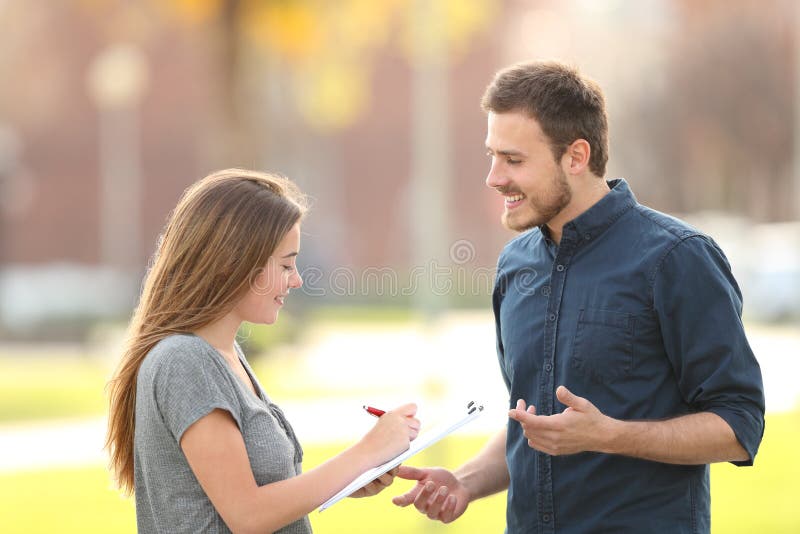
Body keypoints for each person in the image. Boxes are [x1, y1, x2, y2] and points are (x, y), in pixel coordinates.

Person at [392, 61, 765, 532]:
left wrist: (611, 436)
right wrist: (464, 482)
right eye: (492, 155)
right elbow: (532, 424)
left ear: (576, 156)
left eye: (513, 160)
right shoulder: (515, 266)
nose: (494, 177)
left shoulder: (677, 258)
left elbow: (739, 424)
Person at [105, 168, 420, 534]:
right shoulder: (185, 361)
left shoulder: (225, 356)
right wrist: (366, 452)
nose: (296, 279)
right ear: (233, 262)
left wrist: (351, 476)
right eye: (285, 264)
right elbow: (248, 516)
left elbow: (255, 497)